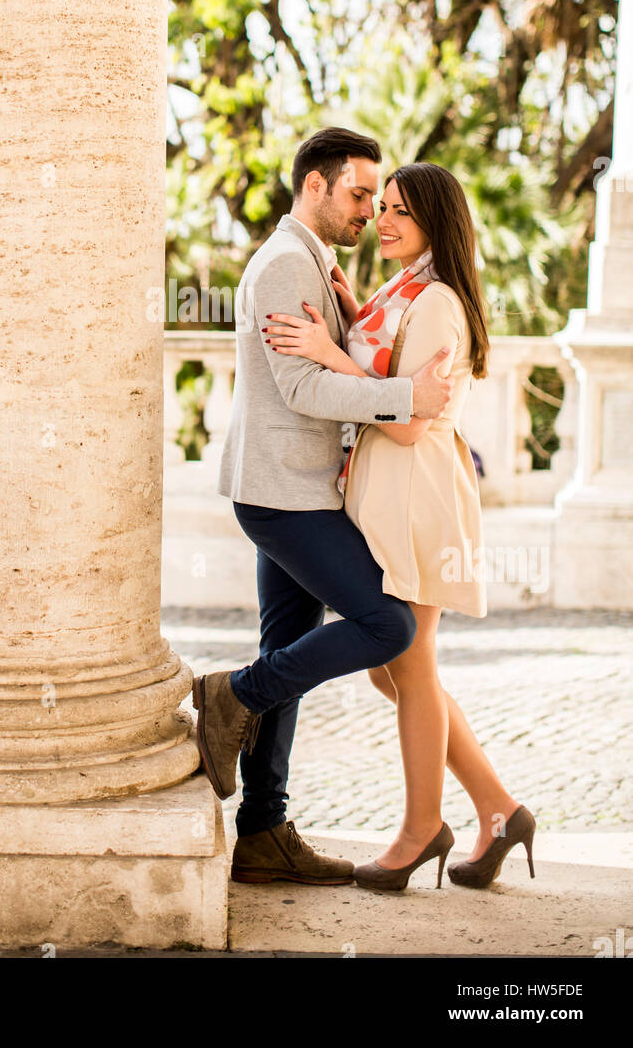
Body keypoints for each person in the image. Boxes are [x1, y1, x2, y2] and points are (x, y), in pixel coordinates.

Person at [191, 127, 455, 886]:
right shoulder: (284, 265)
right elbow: (304, 388)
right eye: (361, 194)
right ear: (315, 185)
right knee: (388, 625)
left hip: (298, 489)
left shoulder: (311, 262)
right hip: (285, 496)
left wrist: (348, 310)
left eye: (378, 198)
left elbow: (331, 361)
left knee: (290, 650)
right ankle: (232, 695)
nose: (371, 211)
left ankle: (262, 830)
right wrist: (407, 397)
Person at [265, 161, 535, 891]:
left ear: (434, 222)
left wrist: (329, 352)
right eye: (380, 206)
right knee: (393, 669)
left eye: (400, 212)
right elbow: (390, 368)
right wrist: (354, 317)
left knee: (408, 667)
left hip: (418, 497)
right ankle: (500, 809)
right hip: (392, 495)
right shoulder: (406, 288)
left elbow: (411, 422)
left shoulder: (438, 301)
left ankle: (422, 830)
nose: (381, 221)